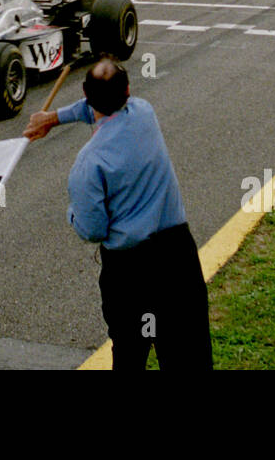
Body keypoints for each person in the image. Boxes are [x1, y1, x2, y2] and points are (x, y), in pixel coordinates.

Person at [24, 54, 212, 369]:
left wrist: (72, 212)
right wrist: (54, 118)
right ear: (128, 92)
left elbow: (93, 229)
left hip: (130, 273)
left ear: (85, 94)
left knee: (129, 353)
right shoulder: (144, 113)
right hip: (178, 258)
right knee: (189, 354)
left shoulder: (88, 165)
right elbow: (98, 108)